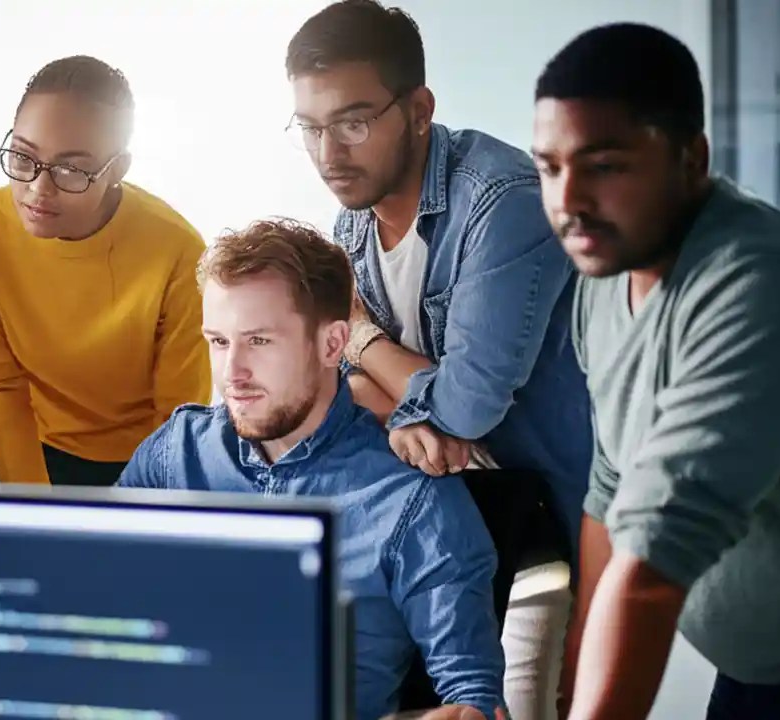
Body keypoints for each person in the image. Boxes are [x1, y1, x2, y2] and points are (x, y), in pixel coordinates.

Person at [286, 2, 590, 716]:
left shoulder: (505, 202)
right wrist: (397, 397)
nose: (329, 152)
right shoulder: (351, 224)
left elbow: (467, 405)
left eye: (353, 121)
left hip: (561, 504)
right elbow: (346, 389)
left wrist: (364, 341)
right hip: (459, 504)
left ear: (420, 109)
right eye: (310, 126)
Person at [532, 24, 780, 720]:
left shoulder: (763, 283)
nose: (568, 199)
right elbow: (609, 502)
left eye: (604, 164)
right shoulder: (604, 274)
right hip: (753, 676)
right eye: (550, 166)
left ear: (691, 157)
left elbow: (651, 563)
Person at [119, 219, 506, 720]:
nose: (232, 374)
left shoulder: (409, 499)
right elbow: (92, 593)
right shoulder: (176, 453)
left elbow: (473, 695)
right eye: (218, 341)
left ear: (332, 344)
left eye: (258, 341)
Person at [0, 56, 210, 487]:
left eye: (71, 169)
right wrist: (35, 505)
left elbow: (178, 418)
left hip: (145, 461)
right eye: (23, 156)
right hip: (29, 449)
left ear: (117, 170)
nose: (37, 189)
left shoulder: (178, 251)